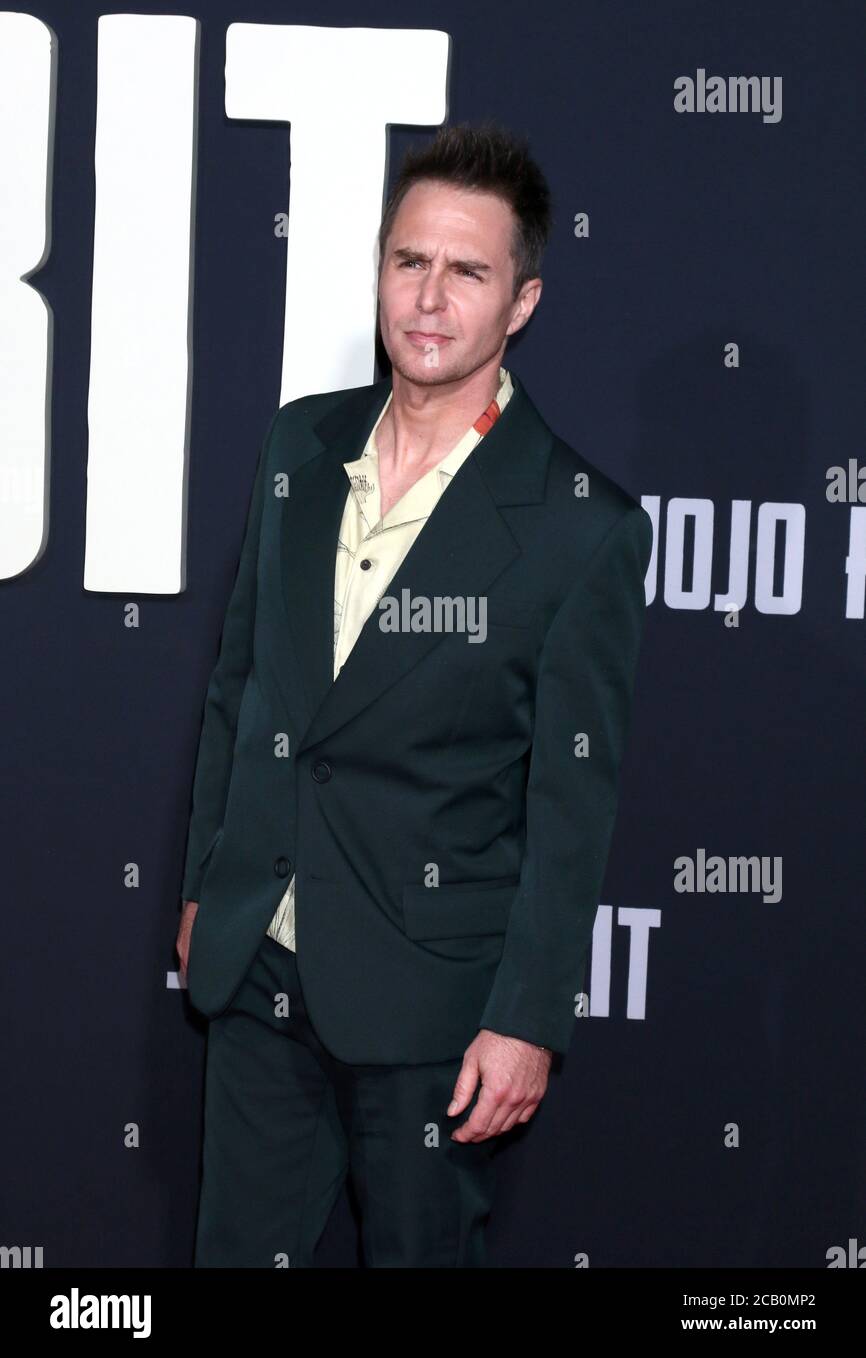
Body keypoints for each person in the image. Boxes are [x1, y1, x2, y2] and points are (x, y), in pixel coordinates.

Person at [177, 120, 653, 1268]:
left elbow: (569, 802)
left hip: (432, 1015)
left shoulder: (580, 525)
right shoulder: (302, 442)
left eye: (466, 271)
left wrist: (529, 1016)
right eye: (409, 261)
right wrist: (208, 877)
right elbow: (240, 691)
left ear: (520, 302)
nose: (428, 298)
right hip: (261, 969)